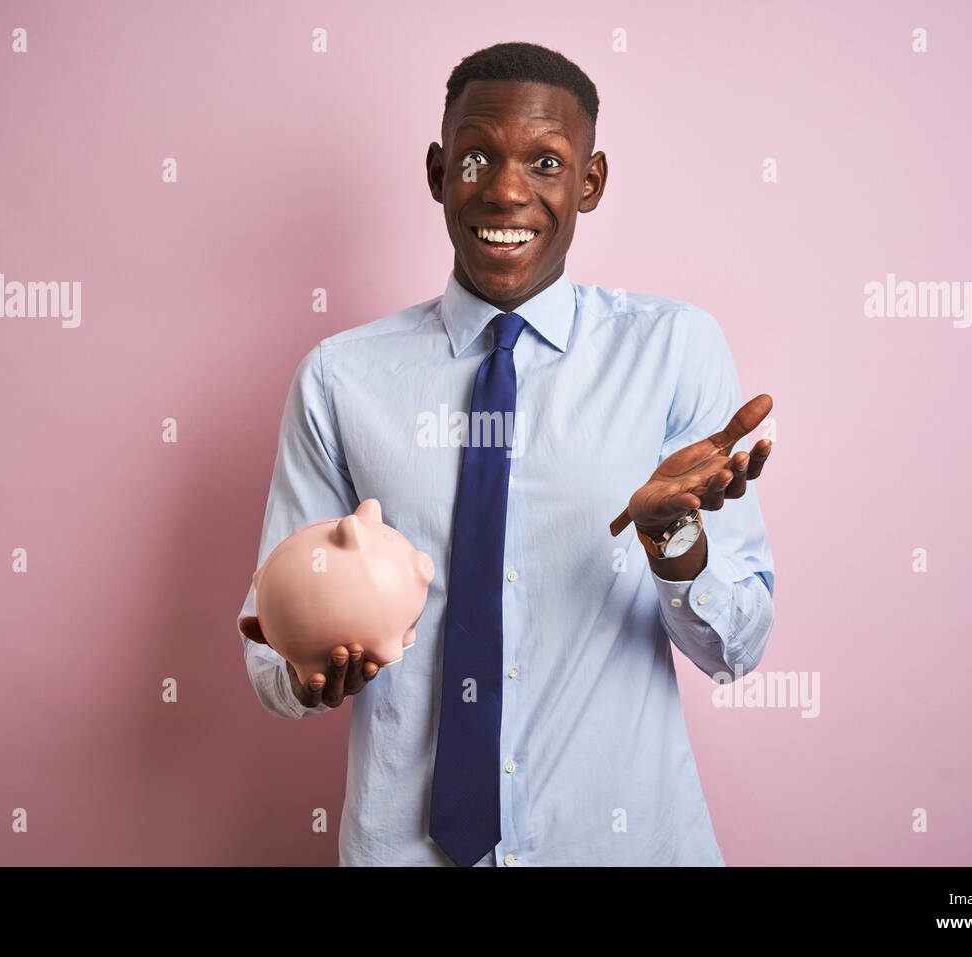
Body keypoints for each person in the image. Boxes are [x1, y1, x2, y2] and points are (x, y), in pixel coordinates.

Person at [237, 41, 776, 866]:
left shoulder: (673, 349)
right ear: (436, 170)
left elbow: (735, 649)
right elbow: (271, 647)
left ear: (589, 182)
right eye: (477, 155)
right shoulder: (340, 379)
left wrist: (673, 542)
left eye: (547, 161)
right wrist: (303, 673)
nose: (505, 189)